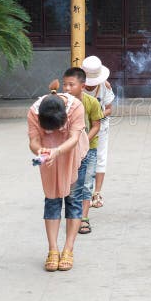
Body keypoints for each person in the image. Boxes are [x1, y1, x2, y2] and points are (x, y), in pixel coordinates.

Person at [27, 80, 89, 272]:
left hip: (74, 154)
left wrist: (56, 152)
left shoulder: (76, 107)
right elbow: (34, 142)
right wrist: (43, 151)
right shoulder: (33, 112)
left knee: (73, 200)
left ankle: (68, 249)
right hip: (49, 156)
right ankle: (53, 250)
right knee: (52, 200)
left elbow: (74, 138)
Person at [62, 67, 104, 235]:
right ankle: (73, 216)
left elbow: (96, 125)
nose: (66, 88)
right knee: (72, 184)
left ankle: (83, 218)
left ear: (83, 86)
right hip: (68, 150)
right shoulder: (62, 102)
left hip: (89, 149)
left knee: (86, 183)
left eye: (71, 85)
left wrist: (83, 139)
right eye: (64, 84)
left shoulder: (91, 102)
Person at [82, 56, 115, 209]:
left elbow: (109, 108)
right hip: (80, 128)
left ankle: (97, 192)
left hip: (100, 127)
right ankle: (78, 192)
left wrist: (98, 115)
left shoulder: (105, 86)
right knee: (80, 159)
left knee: (100, 158)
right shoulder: (76, 85)